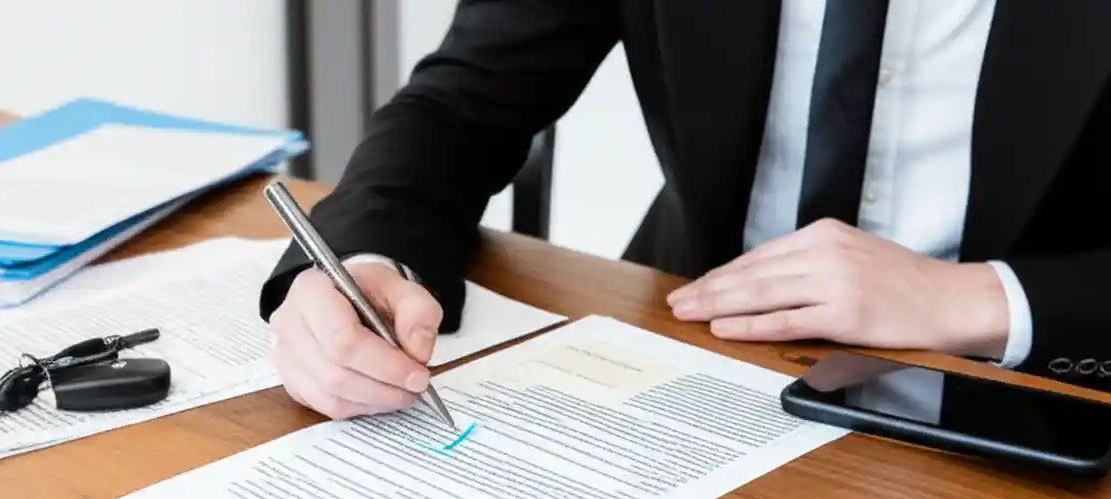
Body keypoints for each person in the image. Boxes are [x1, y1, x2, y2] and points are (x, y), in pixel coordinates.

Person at [260, 1, 1111, 420]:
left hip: (1042, 405)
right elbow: (462, 105)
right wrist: (364, 262)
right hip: (697, 365)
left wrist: (983, 300)